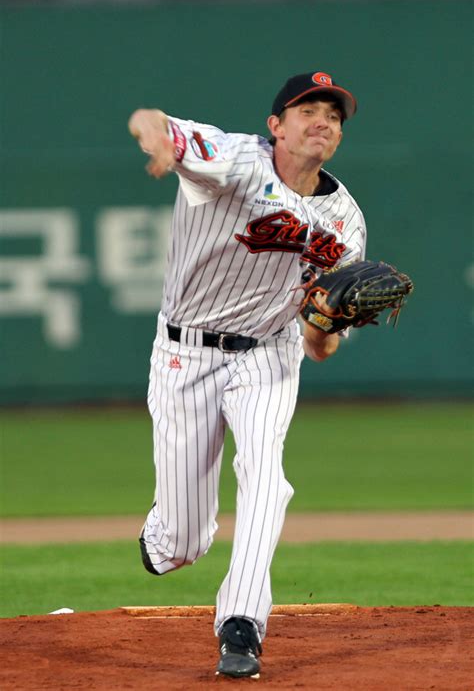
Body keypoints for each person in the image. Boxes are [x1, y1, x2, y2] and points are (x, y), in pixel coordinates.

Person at [129, 71, 366, 679]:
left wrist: (321, 325)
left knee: (266, 475)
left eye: (333, 116)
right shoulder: (233, 158)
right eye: (308, 110)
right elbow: (154, 119)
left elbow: (322, 348)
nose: (323, 121)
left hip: (269, 354)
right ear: (276, 127)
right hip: (187, 352)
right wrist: (158, 142)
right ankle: (166, 539)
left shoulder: (345, 224)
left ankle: (242, 624)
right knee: (182, 544)